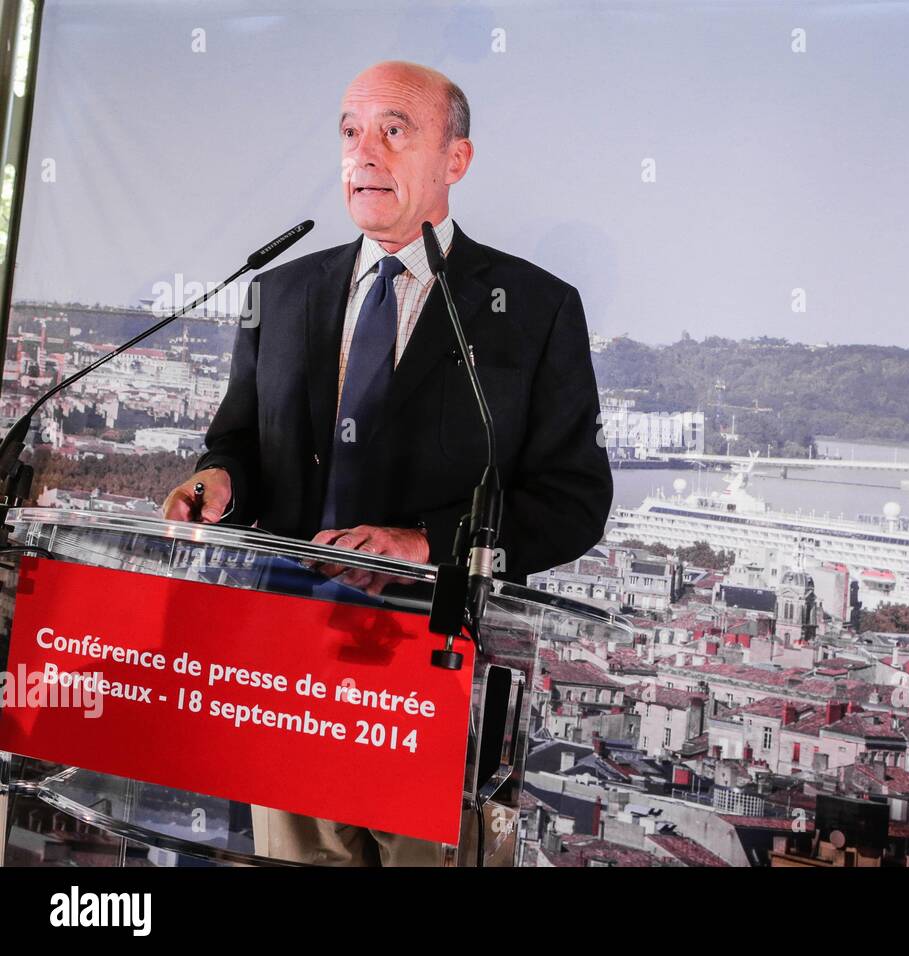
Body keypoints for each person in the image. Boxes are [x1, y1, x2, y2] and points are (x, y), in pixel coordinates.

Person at [161, 60, 612, 865]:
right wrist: (216, 482)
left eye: (394, 131)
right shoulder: (282, 291)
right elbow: (237, 446)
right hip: (292, 678)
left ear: (456, 159)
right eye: (349, 131)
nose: (363, 153)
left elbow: (574, 502)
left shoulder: (536, 309)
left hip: (440, 692)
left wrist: (424, 544)